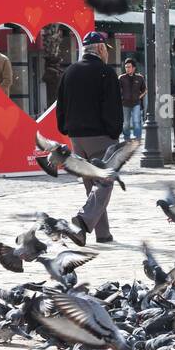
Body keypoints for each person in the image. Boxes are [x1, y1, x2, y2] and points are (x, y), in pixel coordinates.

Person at [58, 31, 122, 245]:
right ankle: (82, 223)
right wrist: (114, 132)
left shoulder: (69, 72)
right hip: (101, 136)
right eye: (106, 50)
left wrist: (66, 129)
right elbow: (113, 107)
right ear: (102, 49)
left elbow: (61, 105)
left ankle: (103, 234)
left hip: (76, 136)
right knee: (104, 184)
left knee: (91, 185)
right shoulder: (106, 72)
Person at [118, 57, 145, 140]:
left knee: (136, 122)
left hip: (136, 103)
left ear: (134, 68)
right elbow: (117, 90)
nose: (127, 69)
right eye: (126, 67)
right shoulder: (121, 78)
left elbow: (144, 90)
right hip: (125, 104)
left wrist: (139, 97)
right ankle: (127, 138)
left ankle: (138, 138)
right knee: (126, 123)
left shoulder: (140, 78)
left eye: (129, 67)